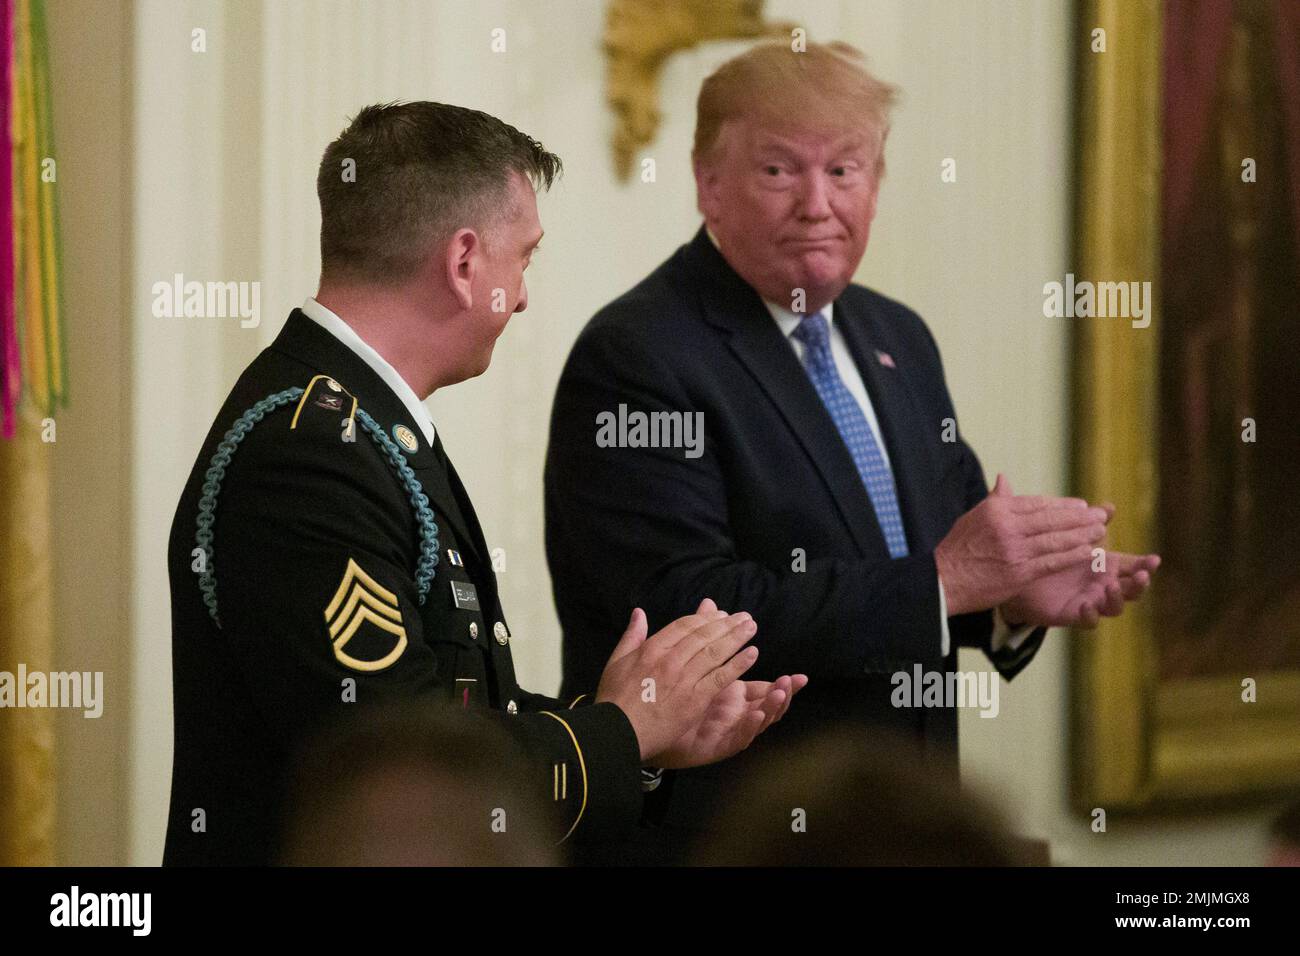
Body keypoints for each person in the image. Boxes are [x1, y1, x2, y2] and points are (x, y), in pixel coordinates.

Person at [544, 41, 1159, 861]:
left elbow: (937, 563)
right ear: (707, 183)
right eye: (777, 171)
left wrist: (1011, 598)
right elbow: (684, 610)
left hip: (902, 830)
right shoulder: (637, 355)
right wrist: (947, 580)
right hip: (733, 839)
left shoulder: (896, 336)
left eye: (845, 170)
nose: (816, 203)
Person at [162, 101, 804, 866]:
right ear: (466, 263)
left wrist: (636, 740)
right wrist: (623, 728)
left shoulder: (362, 425)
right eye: (524, 257)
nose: (525, 295)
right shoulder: (308, 452)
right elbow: (403, 770)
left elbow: (457, 714)